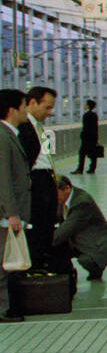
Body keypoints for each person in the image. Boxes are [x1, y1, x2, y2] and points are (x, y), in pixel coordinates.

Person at [0, 89, 31, 322]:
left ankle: (6, 307)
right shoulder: (2, 136)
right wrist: (12, 213)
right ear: (12, 110)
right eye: (23, 106)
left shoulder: (10, 134)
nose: (26, 111)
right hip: (5, 213)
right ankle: (2, 310)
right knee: (3, 261)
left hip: (10, 212)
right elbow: (3, 179)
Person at [19, 86, 57, 270]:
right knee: (39, 230)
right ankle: (36, 267)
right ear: (32, 102)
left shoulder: (36, 126)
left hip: (46, 180)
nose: (49, 112)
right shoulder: (24, 127)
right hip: (37, 182)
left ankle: (42, 263)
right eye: (47, 107)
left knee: (47, 229)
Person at [51, 175, 107, 282]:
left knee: (84, 259)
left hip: (98, 246)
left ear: (67, 188)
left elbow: (66, 230)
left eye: (56, 193)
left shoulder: (82, 203)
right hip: (80, 239)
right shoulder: (62, 200)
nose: (53, 197)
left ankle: (96, 269)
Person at [73, 99, 99, 174]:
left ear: (88, 106)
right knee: (93, 154)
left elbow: (86, 127)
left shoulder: (86, 115)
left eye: (85, 104)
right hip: (93, 137)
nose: (84, 105)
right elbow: (95, 127)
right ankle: (92, 169)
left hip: (86, 138)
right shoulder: (95, 115)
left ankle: (80, 169)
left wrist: (82, 135)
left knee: (82, 153)